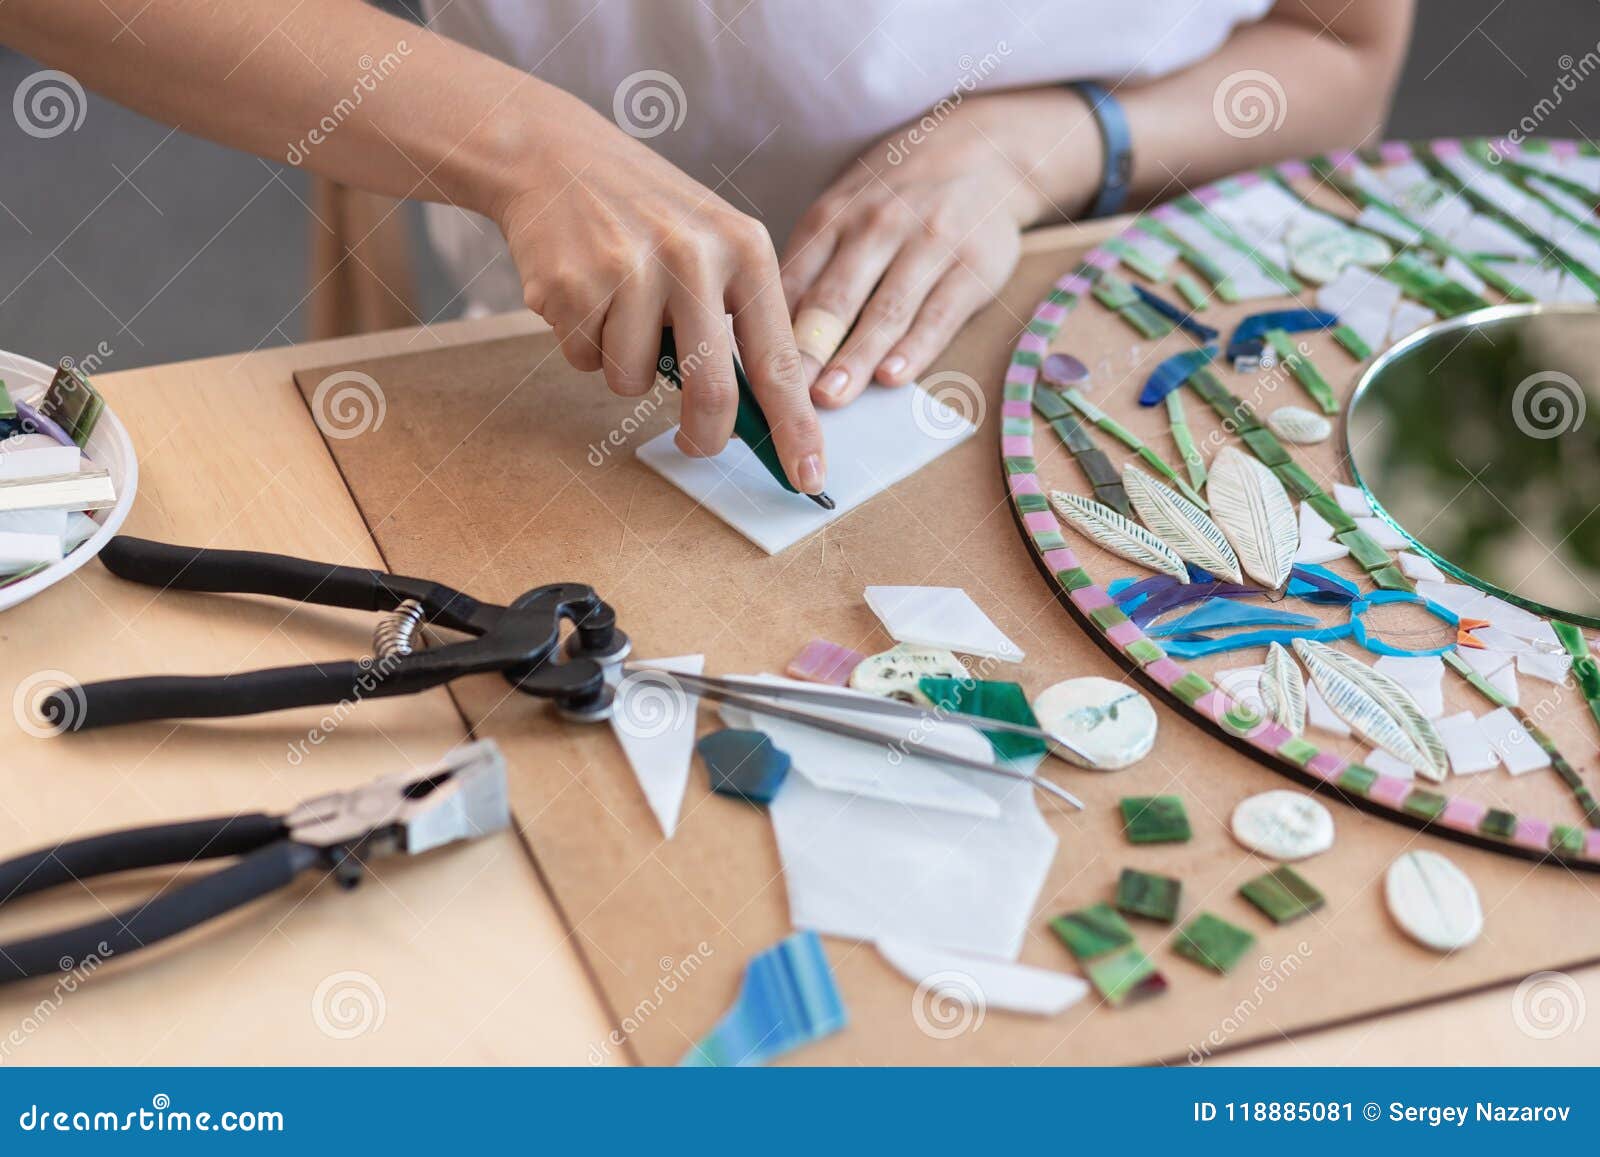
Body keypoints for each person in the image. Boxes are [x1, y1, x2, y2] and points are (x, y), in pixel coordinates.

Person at [3, 1, 1413, 499]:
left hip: (1154, 359)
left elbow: (1344, 49)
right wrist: (518, 145)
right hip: (588, 397)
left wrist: (1048, 144)